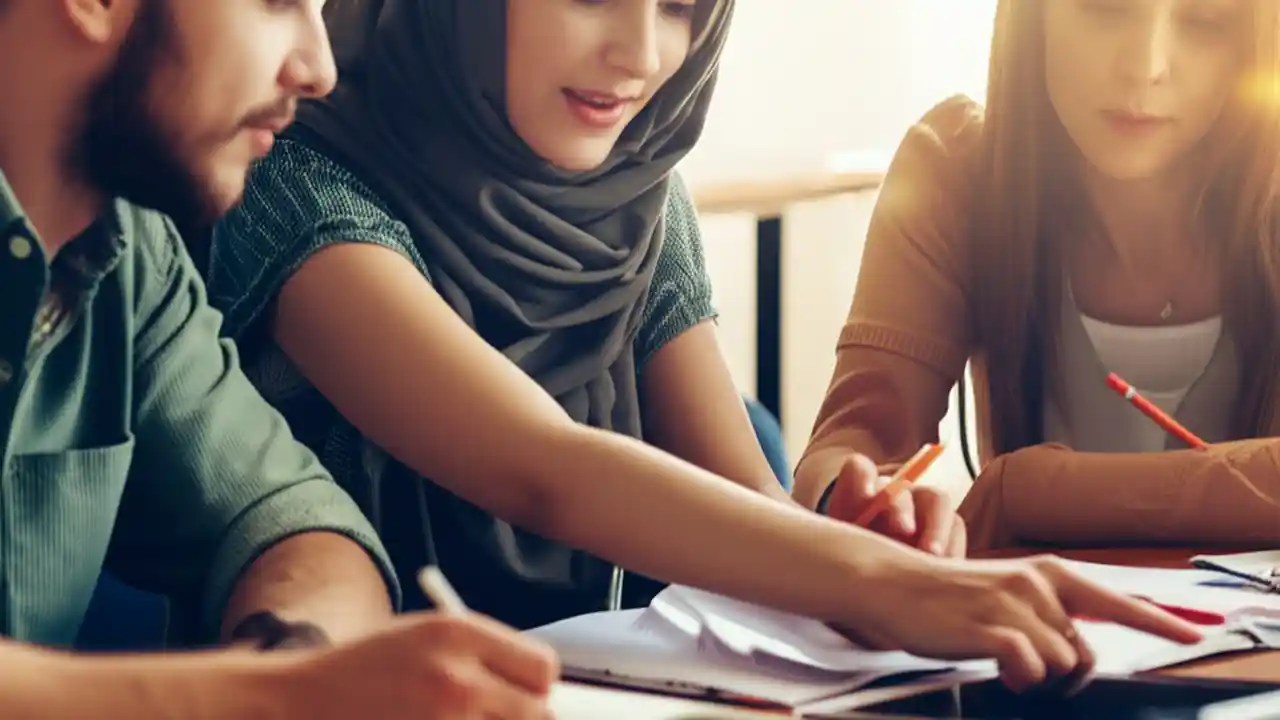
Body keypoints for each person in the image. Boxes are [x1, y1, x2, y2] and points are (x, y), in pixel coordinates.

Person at [209, 0, 1201, 692]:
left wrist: (864, 535)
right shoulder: (290, 184)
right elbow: (538, 467)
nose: (641, 52)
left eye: (680, 5)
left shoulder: (640, 205)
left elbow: (741, 509)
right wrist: (898, 587)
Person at [0, 0, 557, 716]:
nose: (318, 69)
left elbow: (295, 521)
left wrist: (297, 662)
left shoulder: (129, 252)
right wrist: (267, 697)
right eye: (277, 2)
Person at [796, 0, 1280, 550]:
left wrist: (1028, 491)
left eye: (1206, 22)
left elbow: (1017, 495)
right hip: (1030, 631)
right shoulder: (957, 168)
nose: (1146, 65)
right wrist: (850, 496)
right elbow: (849, 447)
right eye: (1106, 9)